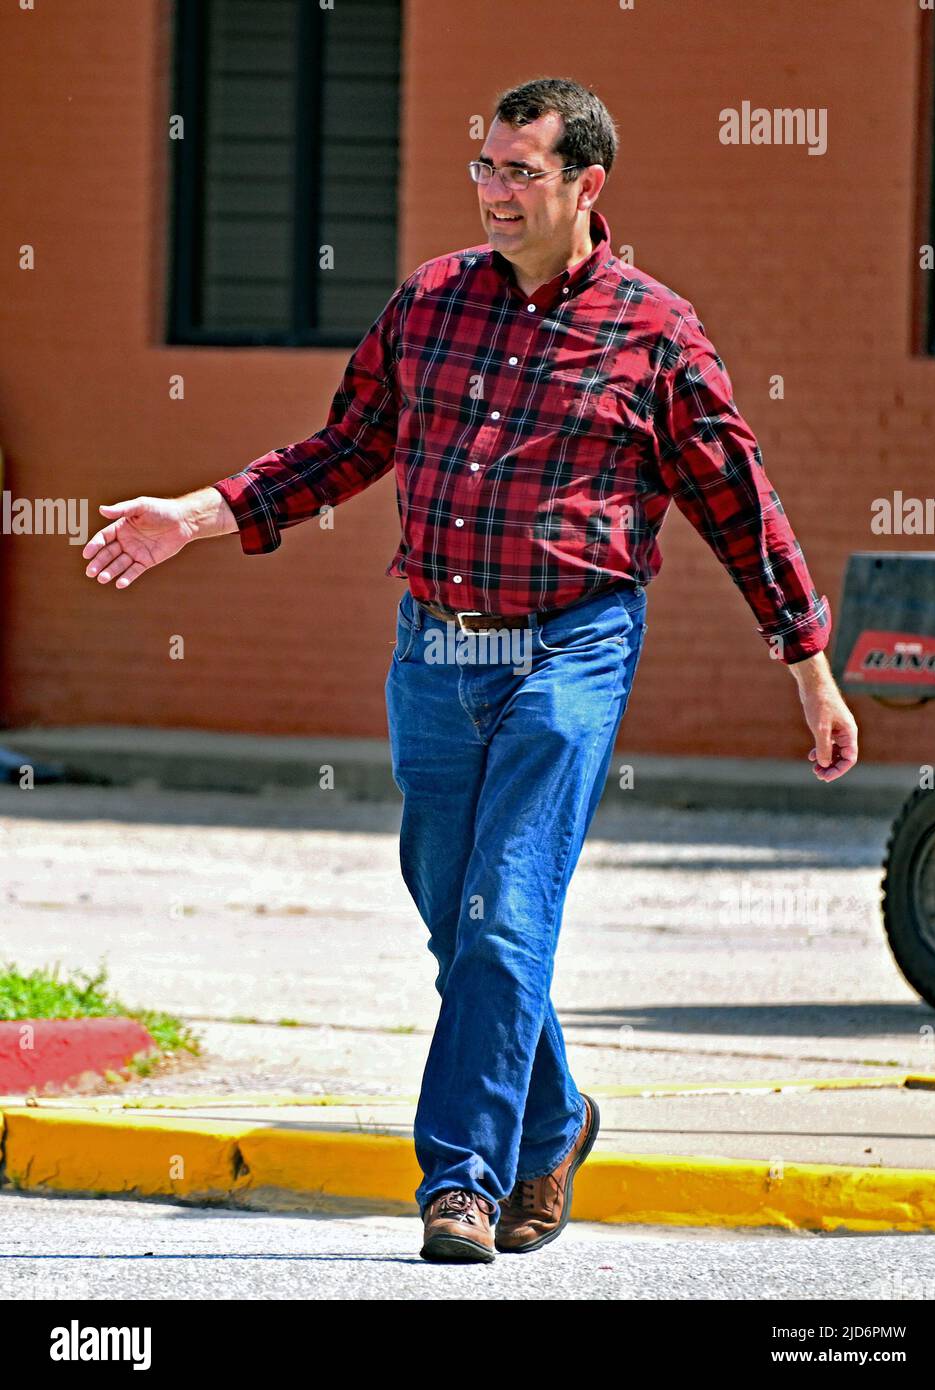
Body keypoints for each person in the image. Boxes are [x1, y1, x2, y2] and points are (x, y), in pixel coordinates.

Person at [81, 77, 858, 1264]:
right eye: (483, 169)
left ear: (585, 187)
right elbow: (347, 445)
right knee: (458, 920)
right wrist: (194, 514)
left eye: (519, 172)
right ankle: (554, 1119)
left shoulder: (654, 331)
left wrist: (806, 662)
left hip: (572, 648)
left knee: (505, 922)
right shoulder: (431, 303)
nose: (494, 193)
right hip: (434, 651)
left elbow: (733, 502)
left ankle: (461, 1180)